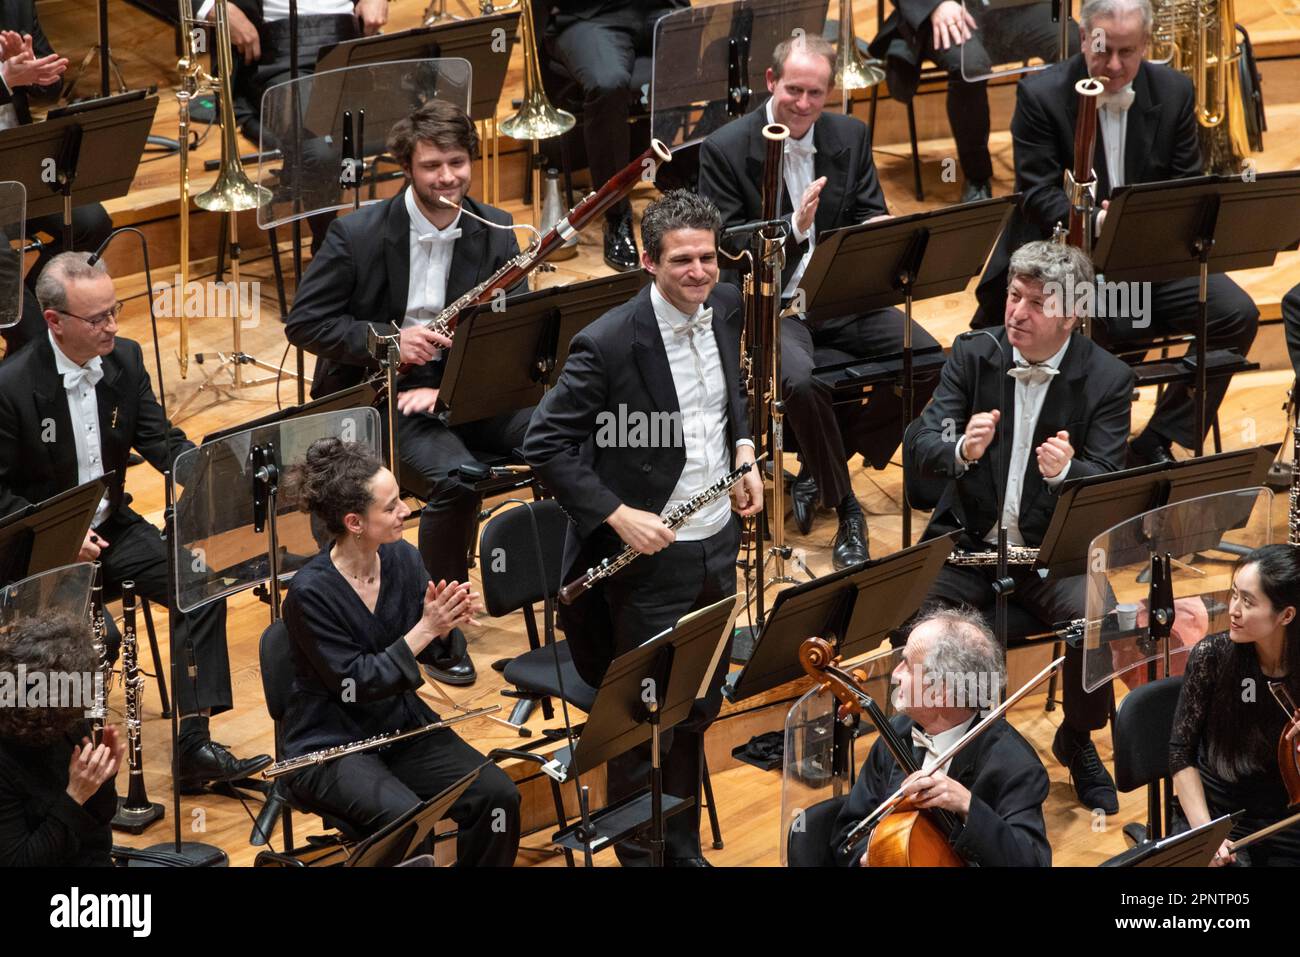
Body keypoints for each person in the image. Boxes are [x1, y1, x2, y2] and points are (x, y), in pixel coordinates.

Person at [523, 190, 763, 866]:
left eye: (707, 256)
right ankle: (640, 857)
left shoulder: (727, 308)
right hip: (649, 564)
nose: (699, 270)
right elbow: (546, 443)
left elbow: (729, 398)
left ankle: (677, 849)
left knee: (696, 707)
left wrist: (744, 453)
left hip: (718, 541)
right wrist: (616, 514)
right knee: (642, 722)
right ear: (650, 263)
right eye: (682, 259)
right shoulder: (607, 343)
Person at [0, 252, 270, 791]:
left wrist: (217, 477)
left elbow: (161, 440)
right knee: (88, 648)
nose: (112, 326)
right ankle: (66, 772)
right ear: (54, 321)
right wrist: (60, 534)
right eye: (96, 318)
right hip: (41, 544)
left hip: (113, 528)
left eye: (113, 310)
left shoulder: (125, 358)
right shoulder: (10, 386)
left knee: (203, 584)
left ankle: (194, 749)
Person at [287, 100, 533, 686]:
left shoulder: (495, 230)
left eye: (457, 162)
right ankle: (438, 628)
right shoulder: (357, 234)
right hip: (382, 394)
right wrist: (389, 341)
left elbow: (508, 330)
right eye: (431, 166)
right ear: (406, 168)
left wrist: (450, 393)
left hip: (464, 388)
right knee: (457, 480)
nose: (447, 177)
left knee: (559, 431)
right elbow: (306, 324)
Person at [973, 0, 1258, 465]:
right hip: (1065, 259)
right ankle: (1086, 455)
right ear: (1084, 39)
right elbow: (1036, 194)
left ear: (1147, 44)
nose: (1115, 65)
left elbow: (1184, 185)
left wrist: (1141, 227)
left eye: (1129, 51)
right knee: (1093, 320)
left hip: (1147, 258)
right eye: (1104, 50)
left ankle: (1158, 439)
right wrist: (1098, 220)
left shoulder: (1174, 89)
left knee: (1235, 313)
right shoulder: (1041, 94)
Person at [906, 240, 1132, 812]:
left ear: (1073, 313)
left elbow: (1107, 484)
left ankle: (1077, 738)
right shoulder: (974, 353)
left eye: (1036, 302)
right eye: (1012, 296)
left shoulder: (1107, 378)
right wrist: (960, 447)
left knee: (1096, 615)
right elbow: (919, 445)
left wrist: (1067, 474)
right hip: (969, 546)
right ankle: (946, 746)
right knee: (911, 620)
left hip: (1048, 554)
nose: (1017, 313)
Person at [699, 34, 940, 568]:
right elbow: (722, 247)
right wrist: (791, 227)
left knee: (928, 361)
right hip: (771, 303)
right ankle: (847, 503)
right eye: (793, 90)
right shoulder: (725, 147)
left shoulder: (850, 134)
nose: (804, 104)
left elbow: (865, 211)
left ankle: (816, 465)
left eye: (816, 92)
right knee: (804, 384)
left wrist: (882, 231)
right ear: (770, 82)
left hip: (839, 294)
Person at [281, 437, 520, 865]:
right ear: (355, 522)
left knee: (497, 797)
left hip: (400, 727)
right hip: (334, 743)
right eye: (391, 507)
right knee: (409, 821)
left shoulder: (402, 559)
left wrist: (446, 628)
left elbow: (438, 656)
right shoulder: (308, 594)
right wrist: (426, 628)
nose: (406, 510)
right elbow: (356, 684)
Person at [830, 607, 1051, 866]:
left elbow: (1031, 862)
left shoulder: (1015, 766)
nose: (896, 674)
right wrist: (873, 857)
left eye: (908, 666)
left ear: (940, 692)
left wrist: (968, 806)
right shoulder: (895, 736)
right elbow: (847, 835)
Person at [196, 0, 390, 253]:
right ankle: (332, 253)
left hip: (354, 37)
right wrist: (211, 7)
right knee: (319, 150)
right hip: (276, 50)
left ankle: (403, 249)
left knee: (429, 131)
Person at [1170, 543, 1300, 866]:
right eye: (1234, 594)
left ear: (1286, 615)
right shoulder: (1211, 658)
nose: (1233, 610)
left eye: (1248, 601)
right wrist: (1206, 833)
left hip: (1284, 819)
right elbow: (1179, 755)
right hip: (1217, 814)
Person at [870, 0, 1078, 201]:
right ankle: (976, 177)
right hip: (950, 9)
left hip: (1015, 7)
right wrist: (935, 5)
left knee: (1073, 42)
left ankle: (1063, 165)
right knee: (969, 67)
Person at [0, 2, 112, 356]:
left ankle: (33, 314)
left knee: (91, 222)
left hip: (15, 161)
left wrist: (39, 76)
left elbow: (51, 83)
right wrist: (4, 80)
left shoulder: (14, 5)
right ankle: (35, 348)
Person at [543, 0, 686, 271]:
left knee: (710, 60)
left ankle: (680, 177)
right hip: (589, 15)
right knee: (608, 83)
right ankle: (615, 212)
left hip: (661, 7)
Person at [0, 614, 126, 867]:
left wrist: (101, 779)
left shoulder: (67, 718)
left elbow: (97, 831)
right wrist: (75, 796)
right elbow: (18, 861)